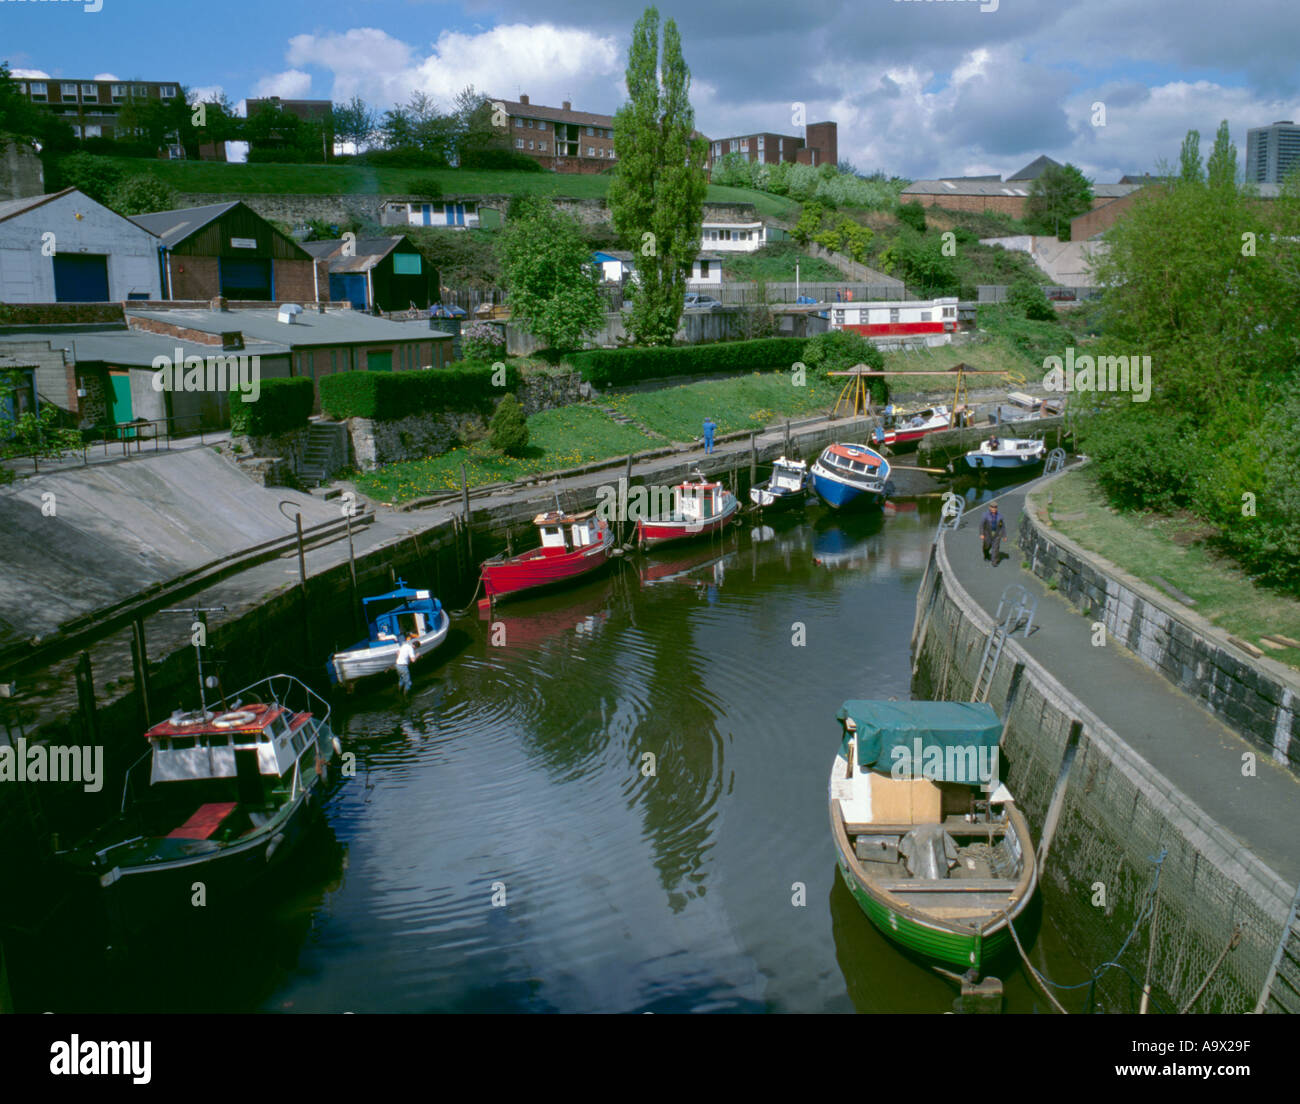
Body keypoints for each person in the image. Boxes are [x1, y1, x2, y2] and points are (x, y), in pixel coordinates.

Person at [980, 501, 1006, 566]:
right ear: (989, 508)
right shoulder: (985, 515)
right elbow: (981, 525)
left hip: (996, 534)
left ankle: (994, 561)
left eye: (995, 507)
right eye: (992, 507)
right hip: (987, 534)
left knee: (996, 548)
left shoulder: (1000, 516)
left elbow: (1002, 526)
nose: (994, 509)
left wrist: (1004, 535)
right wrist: (981, 533)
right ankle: (986, 555)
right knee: (987, 546)